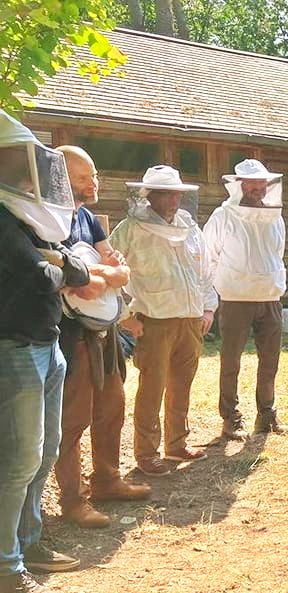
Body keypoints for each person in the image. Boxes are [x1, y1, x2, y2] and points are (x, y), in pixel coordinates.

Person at [0, 112, 103, 593]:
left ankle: (30, 543)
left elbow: (77, 268)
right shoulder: (3, 219)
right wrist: (58, 267)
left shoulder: (30, 217)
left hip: (48, 341)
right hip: (12, 345)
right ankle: (6, 570)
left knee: (44, 450)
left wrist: (58, 265)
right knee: (17, 459)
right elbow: (45, 278)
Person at [53, 146, 151, 528]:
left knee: (111, 406)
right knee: (74, 418)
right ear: (60, 178)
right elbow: (80, 288)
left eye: (93, 175)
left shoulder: (90, 219)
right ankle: (73, 500)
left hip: (105, 329)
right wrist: (103, 277)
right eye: (82, 177)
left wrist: (104, 277)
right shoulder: (49, 223)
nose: (91, 183)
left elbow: (118, 273)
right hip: (72, 334)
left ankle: (107, 481)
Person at [112, 165, 218, 477]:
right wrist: (125, 316)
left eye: (177, 193)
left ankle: (176, 445)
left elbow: (205, 272)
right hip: (154, 321)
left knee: (181, 384)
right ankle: (147, 454)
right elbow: (107, 269)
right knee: (152, 388)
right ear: (150, 196)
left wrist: (208, 309)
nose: (173, 200)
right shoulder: (130, 228)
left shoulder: (189, 227)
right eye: (165, 194)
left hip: (190, 320)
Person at [204, 158, 287, 440]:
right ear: (239, 185)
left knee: (270, 361)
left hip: (270, 299)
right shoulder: (222, 216)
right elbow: (208, 257)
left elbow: (277, 254)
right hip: (236, 299)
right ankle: (230, 418)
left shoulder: (275, 217)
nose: (259, 187)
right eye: (252, 182)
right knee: (231, 362)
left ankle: (266, 415)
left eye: (262, 182)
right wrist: (224, 286)